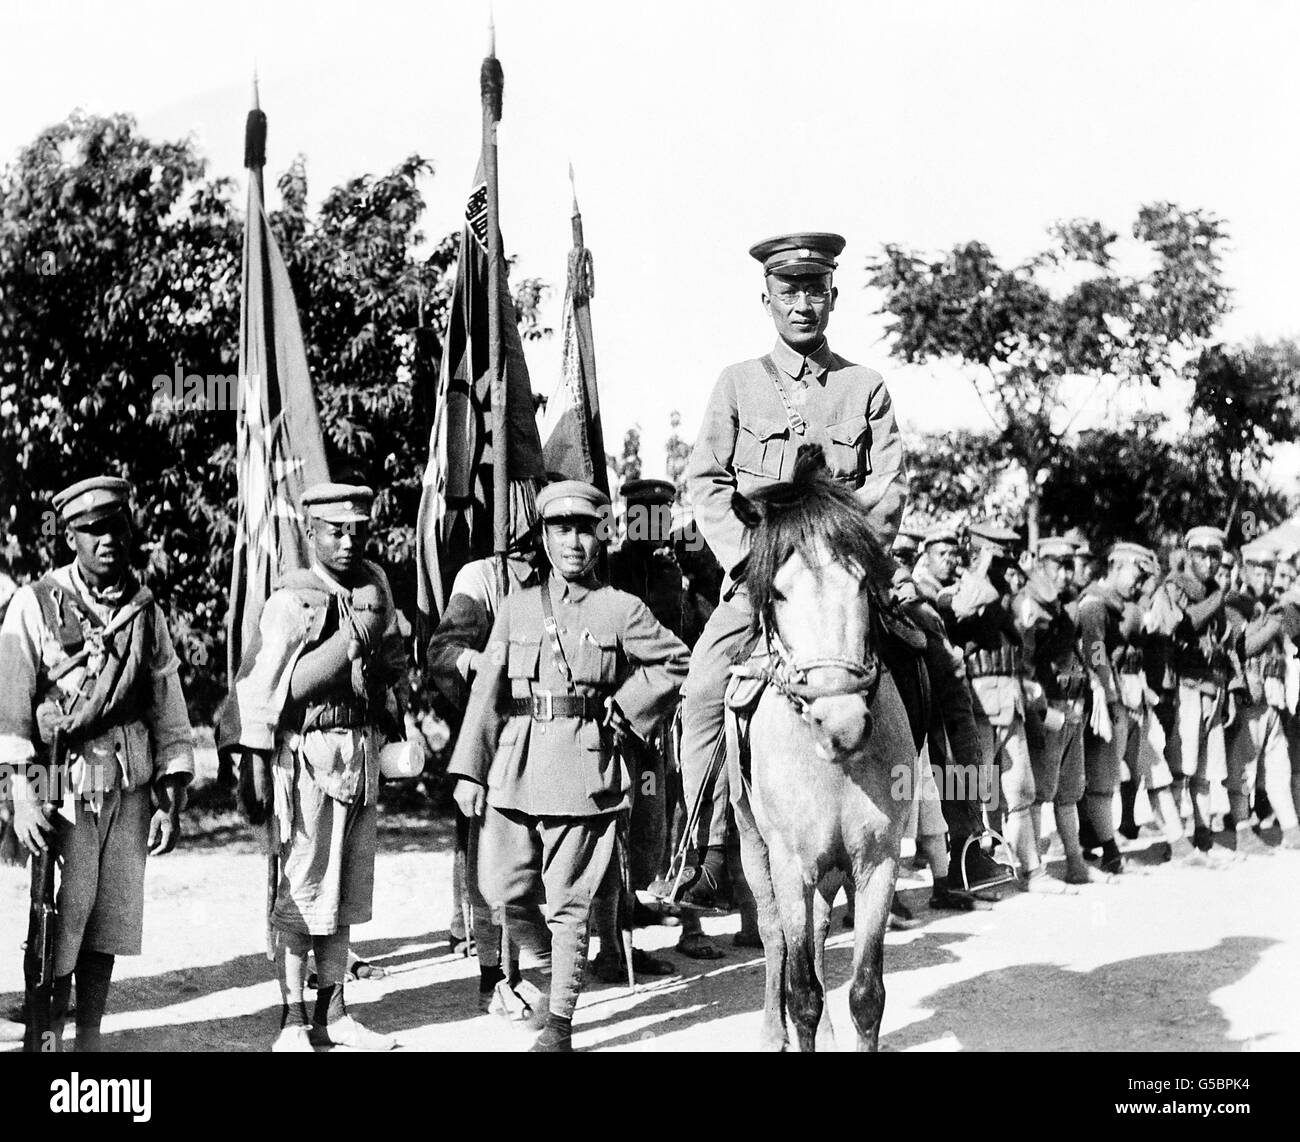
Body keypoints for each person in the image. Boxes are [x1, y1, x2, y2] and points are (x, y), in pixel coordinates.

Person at [673, 231, 906, 913]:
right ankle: (708, 848)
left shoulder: (865, 387)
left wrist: (851, 562)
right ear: (767, 299)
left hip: (844, 582)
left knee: (934, 664)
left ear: (833, 296)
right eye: (788, 292)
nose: (802, 305)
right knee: (703, 688)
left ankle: (963, 827)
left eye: (815, 291)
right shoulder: (738, 384)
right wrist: (753, 562)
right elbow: (706, 481)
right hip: (765, 581)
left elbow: (889, 485)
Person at [448, 480, 689, 1052]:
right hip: (516, 763)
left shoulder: (620, 608)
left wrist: (626, 711)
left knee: (570, 904)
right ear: (545, 536)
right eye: (562, 529)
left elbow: (676, 661)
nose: (574, 542)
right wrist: (469, 770)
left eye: (586, 530)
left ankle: (559, 1023)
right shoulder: (516, 606)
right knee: (501, 888)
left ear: (601, 536)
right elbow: (487, 691)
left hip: (584, 770)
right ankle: (547, 970)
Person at [0, 476, 194, 1051]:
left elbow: (167, 703)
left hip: (129, 780)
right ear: (70, 538)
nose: (108, 540)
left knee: (110, 918)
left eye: (116, 528)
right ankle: (45, 1041)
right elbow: (11, 709)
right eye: (92, 530)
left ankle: (89, 1041)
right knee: (62, 916)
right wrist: (23, 797)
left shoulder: (144, 610)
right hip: (63, 779)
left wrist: (170, 799)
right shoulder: (35, 603)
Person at [220, 482, 410, 1052]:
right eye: (336, 531)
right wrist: (255, 769)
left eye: (358, 530)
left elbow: (392, 665)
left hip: (360, 754)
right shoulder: (292, 601)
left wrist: (397, 714)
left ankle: (335, 1014)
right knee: (301, 892)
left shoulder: (375, 591)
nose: (349, 542)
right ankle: (293, 1020)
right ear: (311, 532)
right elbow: (258, 691)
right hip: (306, 758)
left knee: (345, 893)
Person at [425, 493, 542, 1007]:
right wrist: (479, 664)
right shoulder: (480, 578)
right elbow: (443, 649)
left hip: (554, 733)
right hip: (498, 730)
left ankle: (552, 966)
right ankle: (494, 971)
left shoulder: (566, 571)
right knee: (490, 854)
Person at [593, 477, 683, 975]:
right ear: (630, 518)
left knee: (650, 823)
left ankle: (627, 929)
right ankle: (612, 946)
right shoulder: (612, 568)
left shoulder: (672, 573)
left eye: (663, 515)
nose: (658, 524)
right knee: (617, 828)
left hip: (661, 722)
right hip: (621, 717)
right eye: (647, 515)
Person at [1077, 543, 1195, 866]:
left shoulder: (1125, 603)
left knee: (1156, 770)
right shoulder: (1094, 604)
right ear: (1116, 566)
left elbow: (1161, 625)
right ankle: (1107, 850)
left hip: (1135, 694)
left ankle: (1178, 843)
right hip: (1111, 697)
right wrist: (1107, 692)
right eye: (1136, 574)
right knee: (1102, 778)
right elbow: (1095, 651)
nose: (1140, 582)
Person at [1144, 526, 1233, 862]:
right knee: (1181, 766)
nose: (1209, 563)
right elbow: (1182, 625)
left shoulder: (1215, 592)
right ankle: (1176, 840)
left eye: (1215, 556)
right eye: (1201, 555)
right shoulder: (1174, 588)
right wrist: (1216, 599)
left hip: (1211, 685)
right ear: (1188, 554)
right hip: (1183, 685)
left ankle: (1203, 836)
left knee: (1206, 771)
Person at [1017, 537, 1093, 884]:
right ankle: (1035, 871)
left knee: (1068, 793)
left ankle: (1075, 862)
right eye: (1058, 566)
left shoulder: (1067, 603)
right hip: (1048, 706)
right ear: (1040, 565)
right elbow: (1024, 665)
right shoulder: (1030, 605)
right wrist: (1041, 711)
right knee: (1038, 793)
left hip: (1072, 704)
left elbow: (1079, 651)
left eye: (1069, 566)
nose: (1065, 574)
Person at [1224, 544, 1300, 852]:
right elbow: (1241, 647)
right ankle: (1242, 831)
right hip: (1249, 696)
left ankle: (1291, 829)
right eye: (1258, 572)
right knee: (1243, 766)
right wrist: (1272, 625)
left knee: (1279, 766)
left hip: (1273, 697)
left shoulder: (1274, 606)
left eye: (1269, 572)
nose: (1265, 578)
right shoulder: (1234, 604)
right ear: (1244, 572)